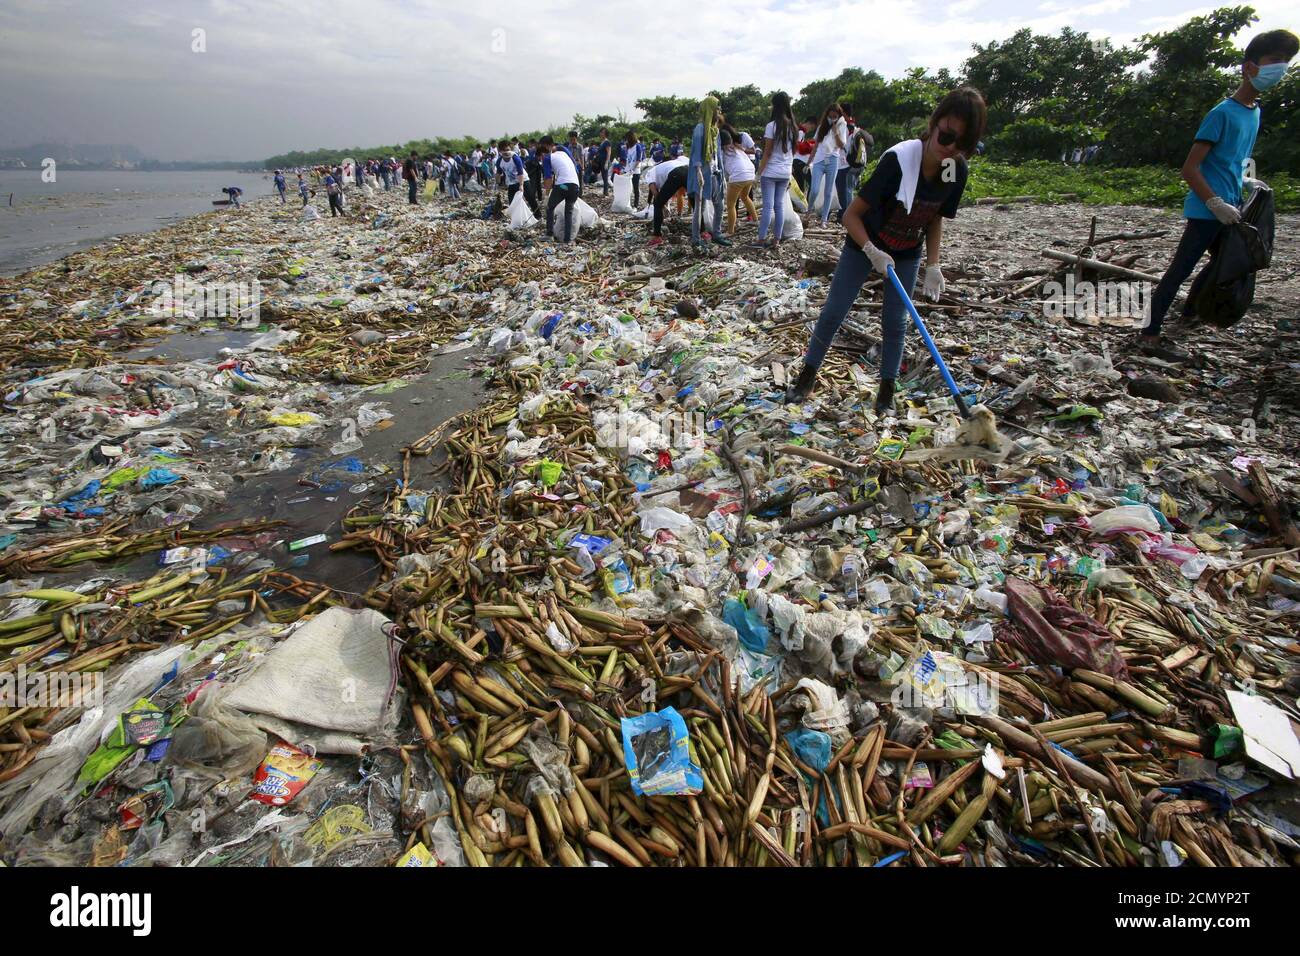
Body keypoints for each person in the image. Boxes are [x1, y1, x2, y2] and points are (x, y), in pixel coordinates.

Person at [784, 87, 986, 413]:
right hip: (864, 243)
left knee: (896, 322)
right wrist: (871, 250)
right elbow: (850, 215)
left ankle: (886, 393)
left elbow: (934, 219)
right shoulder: (900, 161)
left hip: (907, 251)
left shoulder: (953, 169)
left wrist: (933, 266)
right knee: (835, 311)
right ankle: (806, 377)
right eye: (946, 137)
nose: (950, 150)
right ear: (934, 125)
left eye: (962, 145)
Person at [1140, 28, 1296, 357]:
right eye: (1273, 60)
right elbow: (1190, 168)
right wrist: (1214, 202)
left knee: (1226, 265)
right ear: (1249, 67)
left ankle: (1190, 313)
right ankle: (1149, 332)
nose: (1279, 68)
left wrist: (1246, 189)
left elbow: (1236, 162)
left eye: (1286, 61)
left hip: (1232, 206)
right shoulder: (1222, 113)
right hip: (1207, 209)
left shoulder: (1254, 112)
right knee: (1180, 269)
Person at [757, 91, 798, 250]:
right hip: (785, 172)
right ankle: (776, 240)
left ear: (775, 106)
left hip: (771, 171)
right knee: (779, 206)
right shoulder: (793, 126)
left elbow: (767, 153)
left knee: (768, 206)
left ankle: (761, 239)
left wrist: (759, 172)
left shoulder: (772, 126)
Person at [688, 97, 730, 247]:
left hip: (715, 172)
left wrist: (723, 175)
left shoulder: (715, 130)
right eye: (716, 108)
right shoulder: (700, 128)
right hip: (703, 172)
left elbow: (718, 153)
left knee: (719, 205)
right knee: (700, 206)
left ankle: (717, 234)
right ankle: (695, 238)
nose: (719, 111)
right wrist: (698, 170)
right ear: (710, 109)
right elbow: (696, 151)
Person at [808, 103, 847, 226]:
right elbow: (815, 145)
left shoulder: (842, 125)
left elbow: (841, 145)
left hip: (833, 159)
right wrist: (809, 161)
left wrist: (836, 133)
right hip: (819, 160)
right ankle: (808, 211)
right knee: (814, 190)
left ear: (839, 116)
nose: (832, 119)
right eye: (830, 116)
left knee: (828, 191)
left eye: (835, 116)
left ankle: (824, 219)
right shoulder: (821, 127)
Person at [536, 136, 580, 243]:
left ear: (546, 146)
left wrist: (547, 196)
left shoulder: (547, 158)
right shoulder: (564, 152)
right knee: (568, 212)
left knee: (550, 207)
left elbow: (548, 178)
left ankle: (549, 234)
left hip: (563, 185)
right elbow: (575, 167)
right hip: (575, 185)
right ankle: (567, 240)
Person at [648, 155, 690, 246]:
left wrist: (663, 207)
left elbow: (656, 195)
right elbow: (666, 193)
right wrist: (666, 206)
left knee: (657, 204)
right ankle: (703, 232)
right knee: (695, 202)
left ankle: (657, 236)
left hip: (676, 173)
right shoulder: (668, 165)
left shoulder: (650, 173)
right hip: (688, 170)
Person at [721, 129, 756, 237]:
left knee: (730, 205)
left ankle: (730, 231)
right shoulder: (738, 147)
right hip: (750, 174)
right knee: (745, 197)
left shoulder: (722, 151)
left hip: (738, 176)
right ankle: (755, 219)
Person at [843, 120, 874, 222]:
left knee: (849, 189)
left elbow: (849, 150)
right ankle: (857, 211)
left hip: (854, 166)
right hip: (862, 165)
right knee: (854, 189)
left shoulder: (854, 136)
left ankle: (849, 212)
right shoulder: (863, 134)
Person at [496, 140, 527, 206]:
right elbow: (498, 173)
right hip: (511, 183)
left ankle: (537, 215)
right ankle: (514, 216)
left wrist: (521, 185)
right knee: (512, 202)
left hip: (522, 180)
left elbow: (520, 172)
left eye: (508, 150)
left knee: (527, 199)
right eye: (504, 150)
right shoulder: (499, 161)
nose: (506, 152)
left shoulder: (515, 158)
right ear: (500, 151)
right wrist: (497, 184)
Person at [621, 131, 646, 206]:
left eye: (628, 138)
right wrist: (625, 168)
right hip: (628, 170)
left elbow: (638, 159)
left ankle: (636, 205)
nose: (627, 140)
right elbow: (628, 159)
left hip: (635, 171)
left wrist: (633, 169)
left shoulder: (637, 146)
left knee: (635, 188)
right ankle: (627, 204)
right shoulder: (628, 147)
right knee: (627, 188)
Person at [793, 118, 816, 195]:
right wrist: (808, 146)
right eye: (811, 127)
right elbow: (797, 146)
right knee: (811, 183)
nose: (810, 130)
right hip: (800, 161)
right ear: (809, 123)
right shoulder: (800, 132)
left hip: (795, 161)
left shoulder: (798, 130)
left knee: (800, 184)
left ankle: (799, 204)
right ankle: (808, 203)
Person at [596, 128, 613, 196]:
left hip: (604, 161)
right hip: (600, 161)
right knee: (603, 176)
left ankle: (606, 192)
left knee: (605, 177)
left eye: (603, 132)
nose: (601, 134)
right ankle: (605, 191)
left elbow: (609, 152)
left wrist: (607, 162)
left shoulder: (607, 142)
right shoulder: (602, 142)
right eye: (601, 132)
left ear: (606, 134)